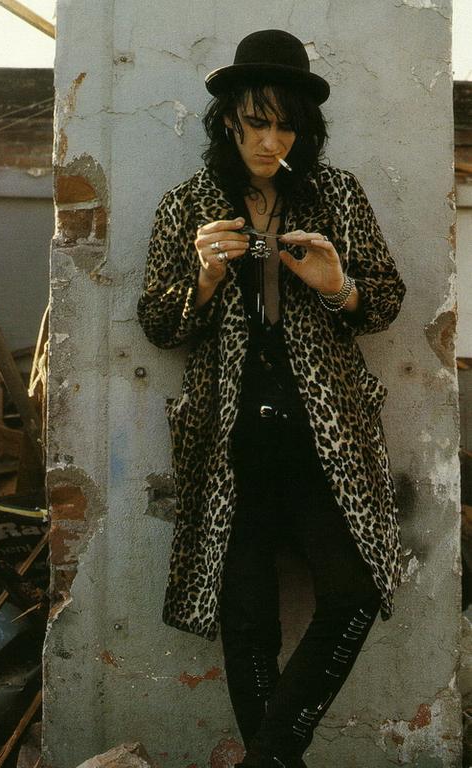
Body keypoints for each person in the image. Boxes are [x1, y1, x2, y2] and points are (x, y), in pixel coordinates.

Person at [137, 29, 406, 768]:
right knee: (248, 617)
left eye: (285, 126)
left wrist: (338, 287)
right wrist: (203, 280)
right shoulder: (190, 204)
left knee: (353, 594)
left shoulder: (335, 194)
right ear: (229, 119)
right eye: (256, 122)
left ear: (302, 131)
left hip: (325, 435)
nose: (270, 141)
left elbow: (385, 300)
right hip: (228, 442)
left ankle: (268, 757)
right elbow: (157, 325)